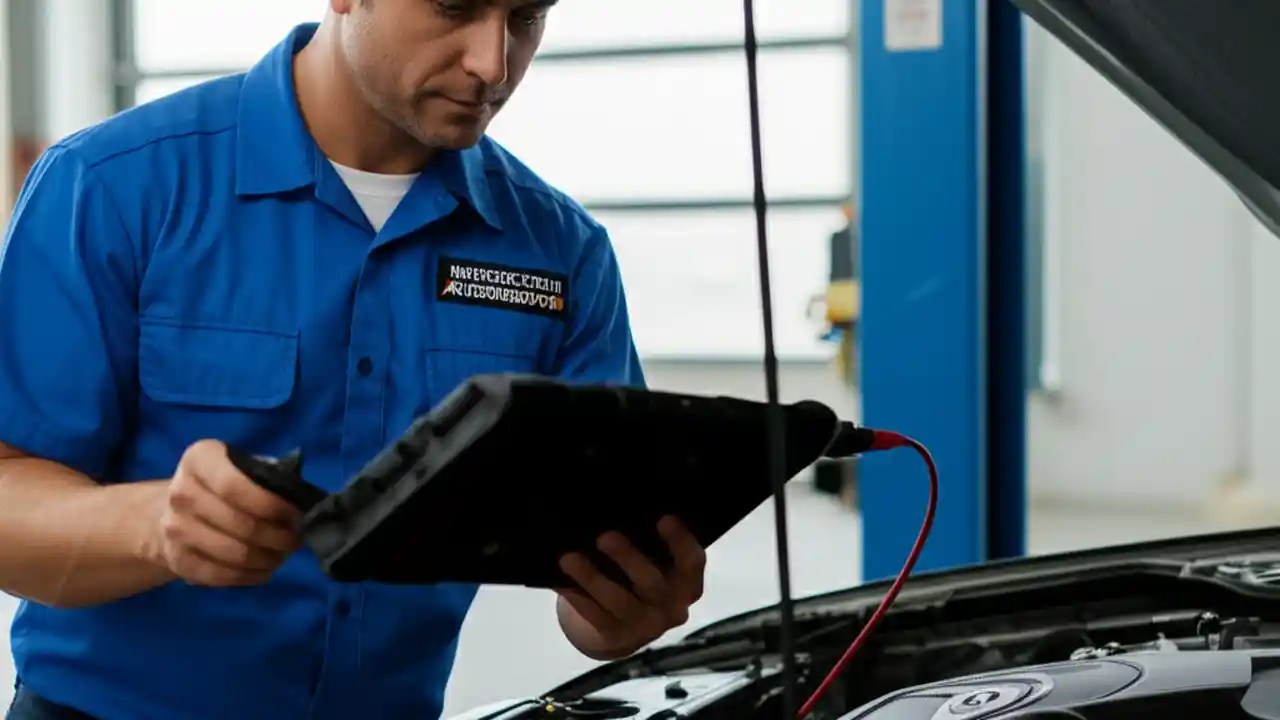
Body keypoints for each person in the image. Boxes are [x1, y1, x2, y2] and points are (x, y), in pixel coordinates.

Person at [0, 2, 708, 718]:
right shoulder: (111, 187)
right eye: (454, 6)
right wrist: (156, 526)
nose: (493, 63)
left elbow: (594, 571)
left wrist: (621, 613)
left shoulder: (562, 251)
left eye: (525, 16)